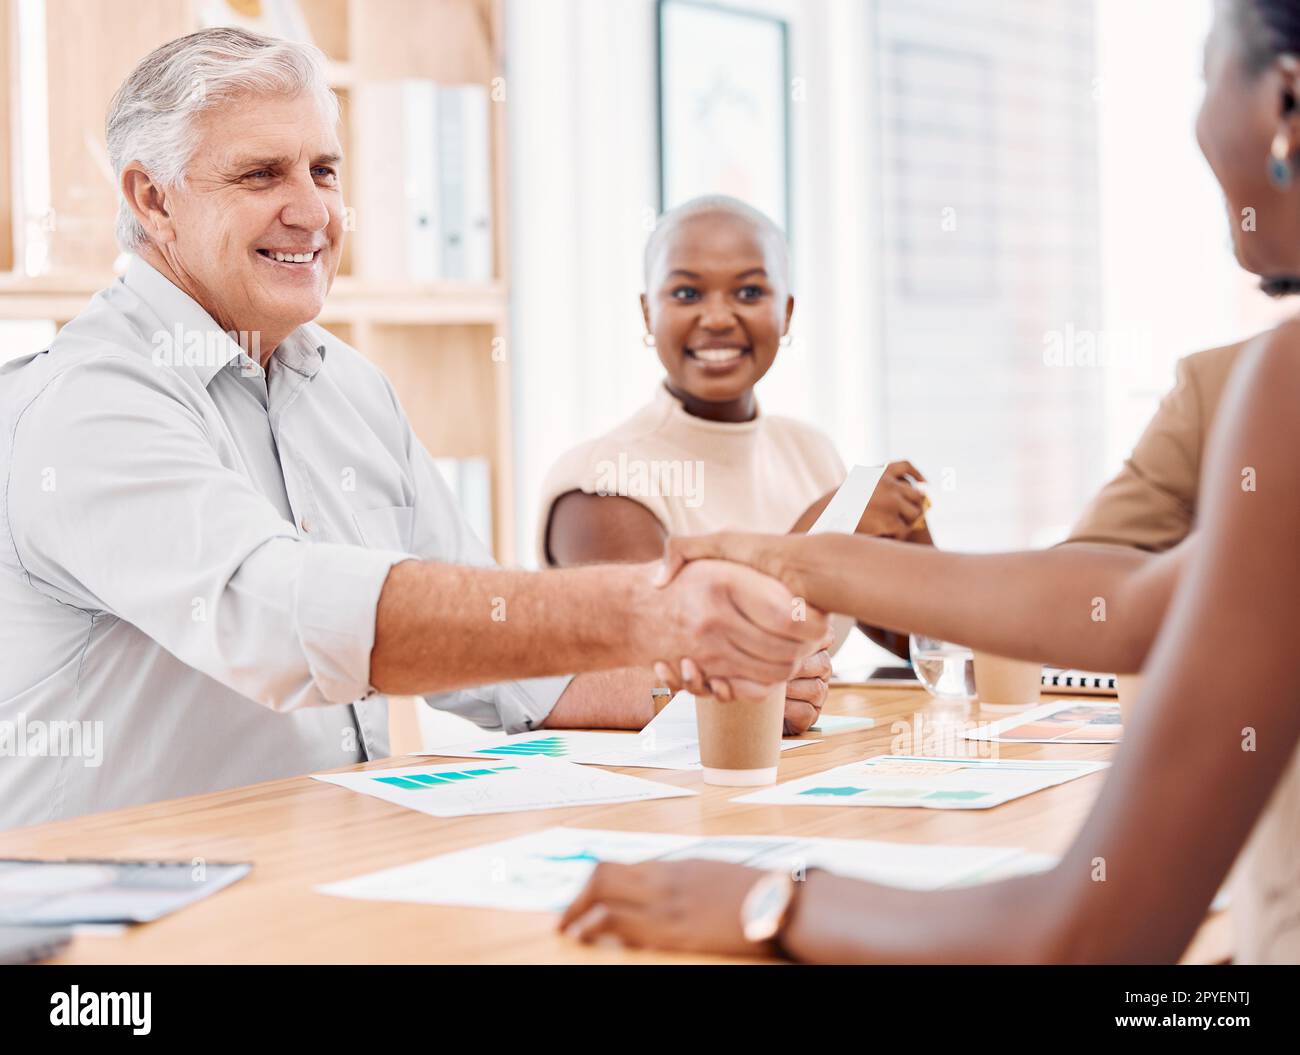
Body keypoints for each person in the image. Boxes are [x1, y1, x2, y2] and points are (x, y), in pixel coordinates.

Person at [562, 0, 1300, 964]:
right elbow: (1132, 599)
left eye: (1206, 77)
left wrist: (772, 904)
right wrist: (806, 556)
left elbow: (1087, 938)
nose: (1198, 122)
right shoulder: (602, 479)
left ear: (1283, 97)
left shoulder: (1283, 384)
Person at [0, 29, 828, 830]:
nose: (312, 209)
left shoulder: (347, 387)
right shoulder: (89, 401)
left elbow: (509, 663)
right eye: (261, 174)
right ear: (152, 198)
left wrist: (694, 678)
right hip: (116, 913)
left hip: (313, 872)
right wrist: (653, 608)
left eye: (324, 170)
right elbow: (284, 617)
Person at [538, 196, 931, 728]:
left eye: (749, 291)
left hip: (786, 776)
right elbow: (672, 671)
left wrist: (909, 539)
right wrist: (826, 530)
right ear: (648, 313)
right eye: (686, 292)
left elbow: (927, 649)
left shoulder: (811, 451)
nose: (718, 317)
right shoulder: (601, 481)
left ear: (786, 312)